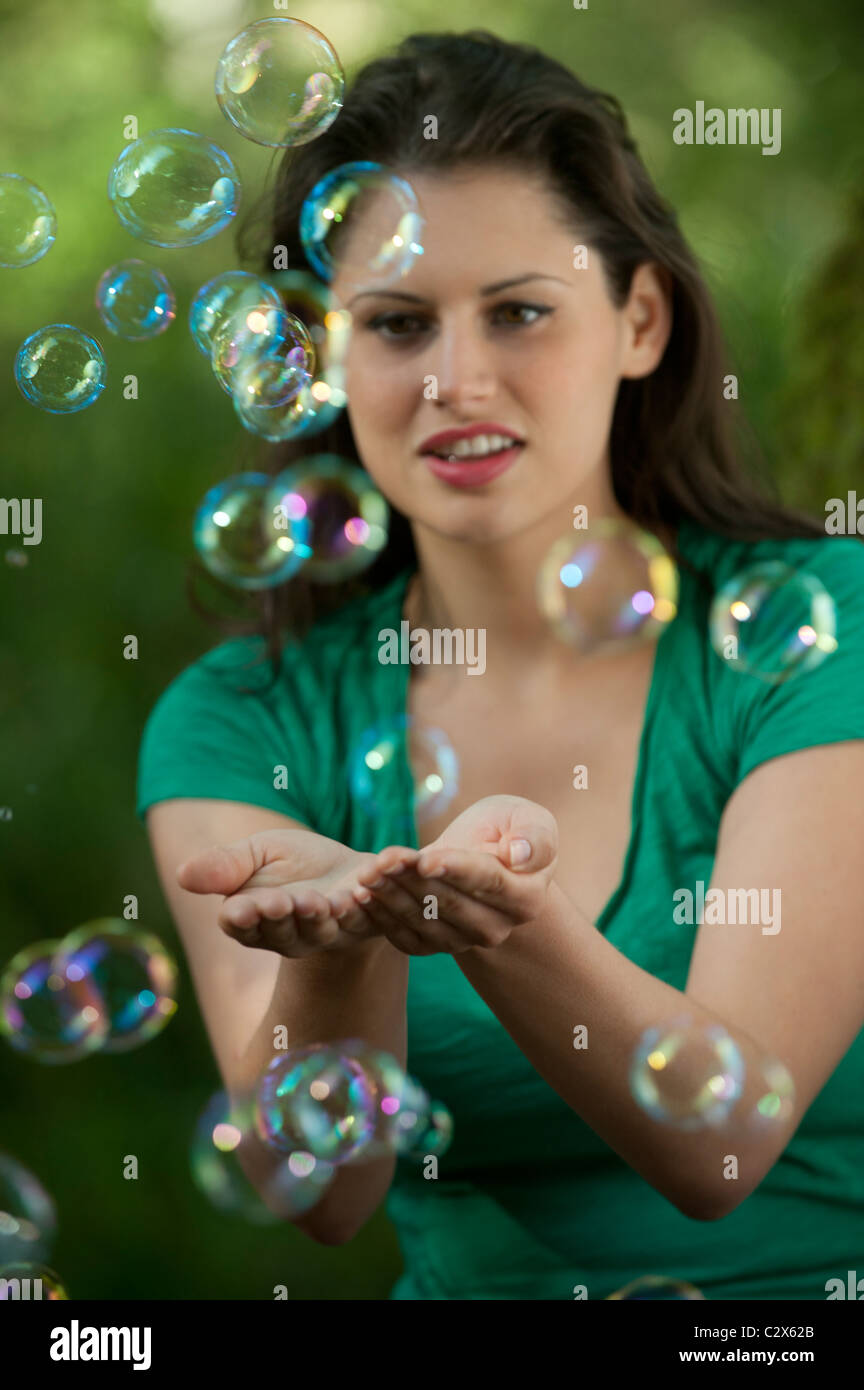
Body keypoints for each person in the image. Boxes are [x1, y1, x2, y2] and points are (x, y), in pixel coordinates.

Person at [137, 31, 864, 1300]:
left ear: (639, 320)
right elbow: (317, 1187)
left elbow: (723, 1140)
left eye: (520, 310)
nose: (457, 382)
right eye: (399, 324)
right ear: (322, 351)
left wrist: (507, 926)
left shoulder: (816, 626)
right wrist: (338, 945)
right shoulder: (240, 719)